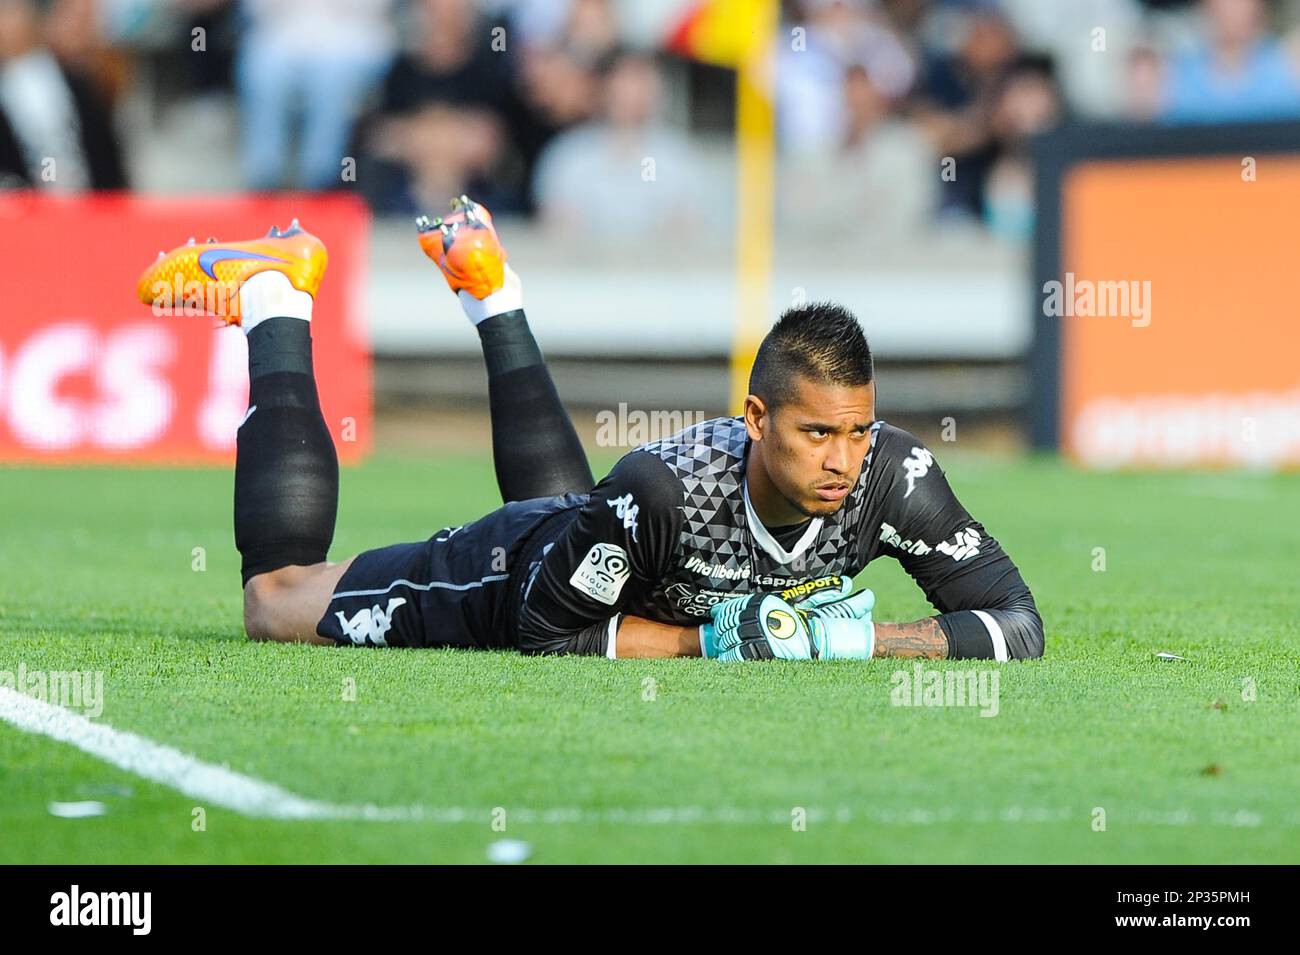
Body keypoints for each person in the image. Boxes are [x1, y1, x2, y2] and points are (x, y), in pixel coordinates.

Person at [135, 197, 1043, 661]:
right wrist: (721, 641)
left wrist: (853, 643)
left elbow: (1016, 623)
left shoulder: (894, 472)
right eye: (815, 434)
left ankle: (490, 286)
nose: (843, 459)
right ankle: (273, 295)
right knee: (275, 603)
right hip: (512, 577)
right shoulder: (666, 487)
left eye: (857, 431)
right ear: (757, 418)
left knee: (578, 515)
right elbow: (545, 631)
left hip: (593, 540)